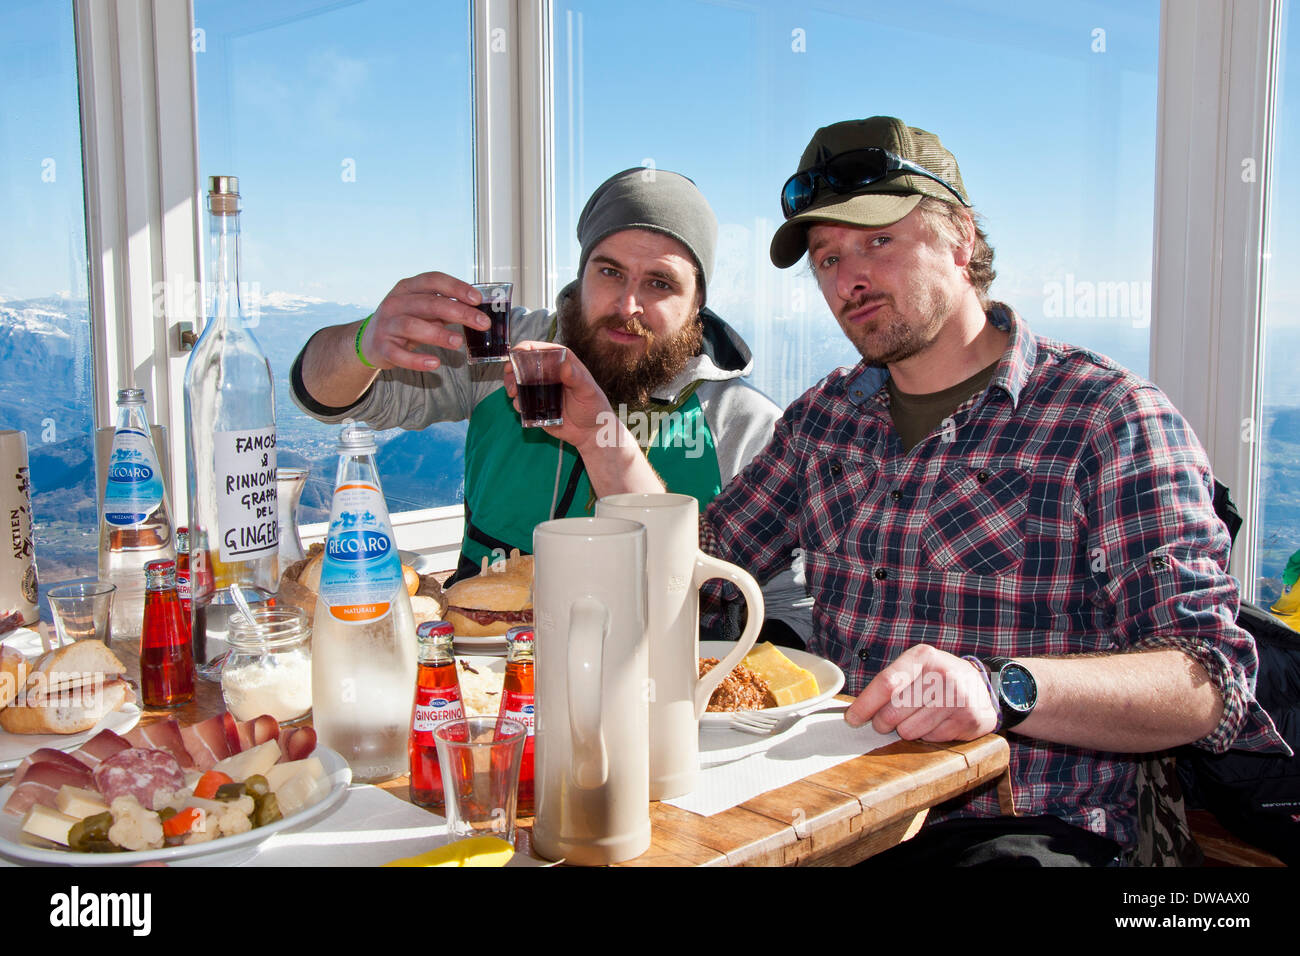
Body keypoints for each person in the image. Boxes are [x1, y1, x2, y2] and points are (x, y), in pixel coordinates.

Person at [520, 117, 1288, 864]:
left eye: (879, 241)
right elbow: (690, 580)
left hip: (1024, 827)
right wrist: (599, 436)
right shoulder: (823, 420)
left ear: (963, 240)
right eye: (825, 257)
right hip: (829, 806)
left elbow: (1206, 680)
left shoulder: (1108, 418)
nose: (849, 277)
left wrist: (1003, 690)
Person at [291, 167, 810, 644]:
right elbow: (328, 398)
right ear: (580, 276)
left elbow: (786, 606)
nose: (628, 306)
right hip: (480, 663)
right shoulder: (504, 350)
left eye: (659, 283)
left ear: (698, 304)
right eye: (609, 272)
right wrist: (364, 342)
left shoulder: (744, 423)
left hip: (651, 682)